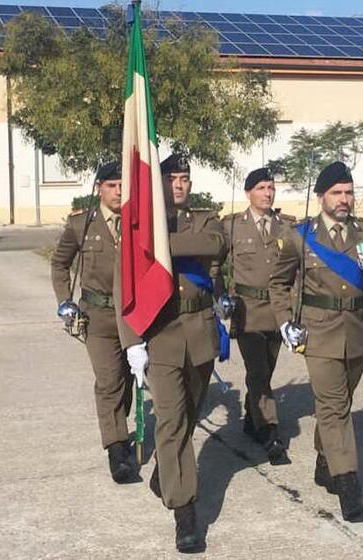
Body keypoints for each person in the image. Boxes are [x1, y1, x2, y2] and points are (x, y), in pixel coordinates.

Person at [268, 161, 363, 521]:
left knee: (342, 403)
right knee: (332, 407)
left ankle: (325, 461)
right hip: (318, 332)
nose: (344, 199)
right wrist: (285, 322)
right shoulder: (301, 236)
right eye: (337, 193)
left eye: (349, 192)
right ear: (321, 197)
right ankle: (349, 489)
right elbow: (278, 284)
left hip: (357, 331)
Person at [119, 153, 225, 552]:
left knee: (190, 416)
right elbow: (123, 288)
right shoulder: (138, 227)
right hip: (161, 336)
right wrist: (132, 341)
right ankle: (185, 513)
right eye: (171, 178)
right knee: (171, 423)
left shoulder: (205, 219)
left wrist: (158, 244)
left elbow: (215, 244)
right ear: (157, 183)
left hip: (200, 335)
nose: (179, 185)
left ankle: (167, 472)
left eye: (184, 179)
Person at [51, 161, 137, 484]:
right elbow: (60, 264)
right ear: (99, 187)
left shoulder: (137, 222)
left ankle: (120, 423)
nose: (118, 191)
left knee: (128, 380)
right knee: (108, 380)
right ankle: (117, 449)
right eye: (112, 185)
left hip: (131, 315)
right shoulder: (81, 224)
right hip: (97, 316)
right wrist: (64, 301)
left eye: (121, 186)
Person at [220, 167, 294, 464]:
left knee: (267, 369)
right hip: (247, 311)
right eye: (262, 187)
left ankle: (252, 419)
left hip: (278, 311)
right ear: (249, 192)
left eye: (271, 187)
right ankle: (271, 432)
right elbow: (215, 263)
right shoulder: (233, 226)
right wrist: (219, 296)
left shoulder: (287, 226)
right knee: (259, 372)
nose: (268, 193)